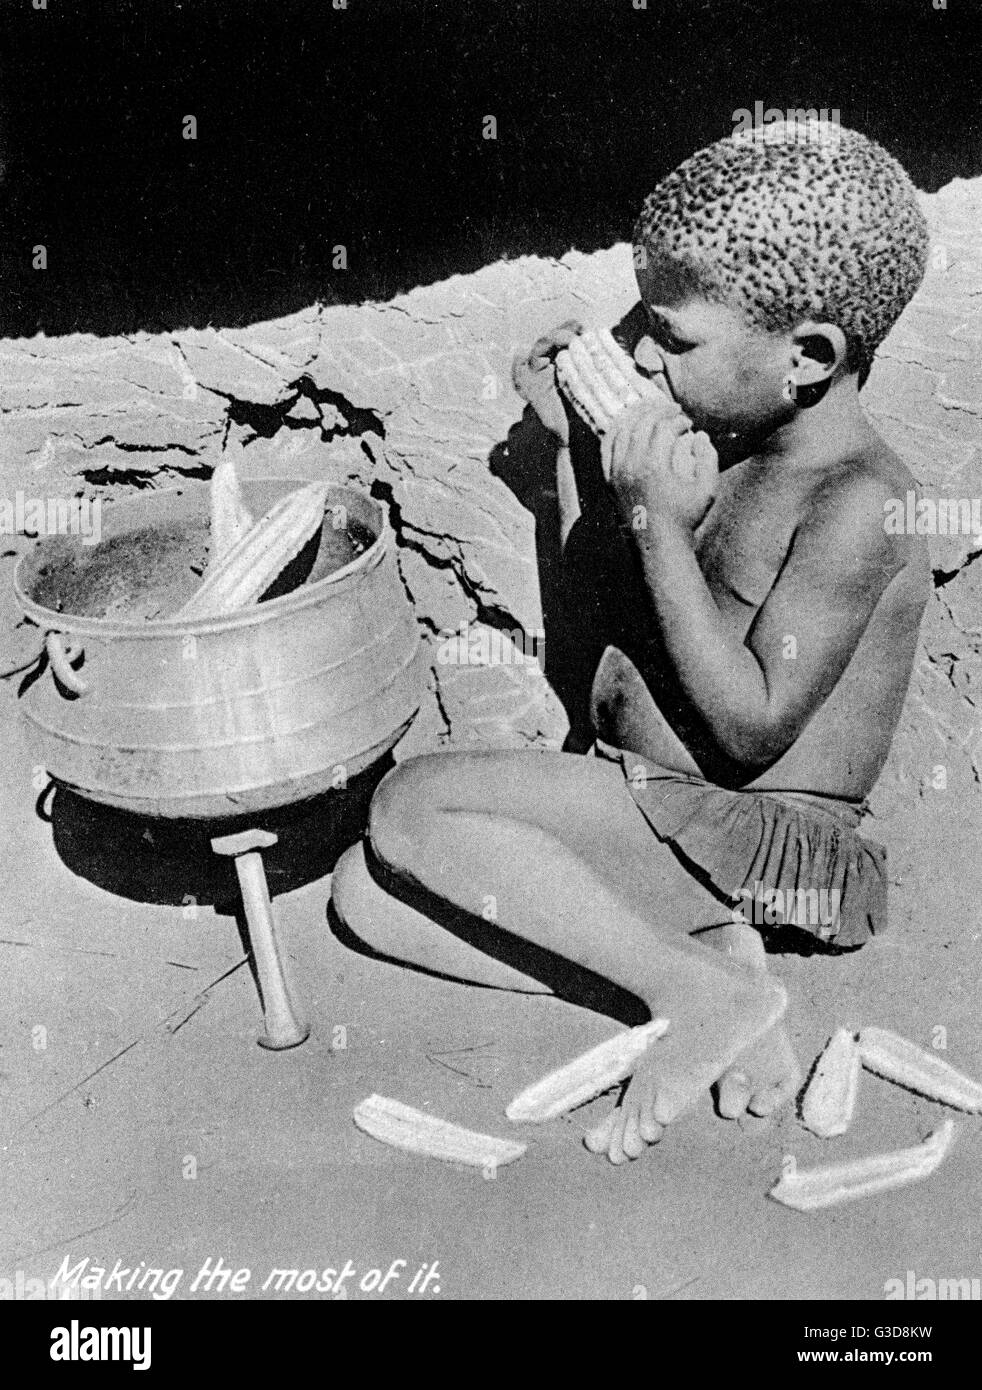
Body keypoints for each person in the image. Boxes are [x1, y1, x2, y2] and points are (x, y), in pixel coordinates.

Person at [331, 121, 931, 1163]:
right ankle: (709, 981)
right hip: (662, 825)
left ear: (810, 356)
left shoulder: (857, 502)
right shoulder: (731, 448)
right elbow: (599, 655)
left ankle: (688, 986)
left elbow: (746, 733)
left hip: (767, 843)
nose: (644, 354)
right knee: (361, 895)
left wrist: (657, 519)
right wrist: (574, 457)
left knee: (409, 802)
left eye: (675, 336)